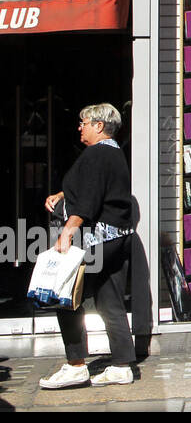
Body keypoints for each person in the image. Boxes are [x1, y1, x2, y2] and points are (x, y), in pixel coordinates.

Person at [39, 104, 140, 389]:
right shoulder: (114, 152)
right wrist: (63, 194)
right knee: (110, 301)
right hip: (117, 239)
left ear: (99, 125)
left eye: (83, 122)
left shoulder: (97, 153)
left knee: (65, 297)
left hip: (96, 239)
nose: (79, 127)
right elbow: (95, 189)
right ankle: (122, 366)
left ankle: (75, 365)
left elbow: (90, 200)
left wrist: (66, 233)